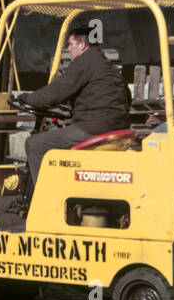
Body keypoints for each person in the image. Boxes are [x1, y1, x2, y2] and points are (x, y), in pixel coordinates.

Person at [17, 25, 131, 188]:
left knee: (35, 144)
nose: (68, 49)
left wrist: (26, 98)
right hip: (116, 128)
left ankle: (47, 199)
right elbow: (126, 96)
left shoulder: (84, 62)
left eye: (70, 44)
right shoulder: (107, 66)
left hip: (94, 128)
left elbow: (54, 93)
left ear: (82, 45)